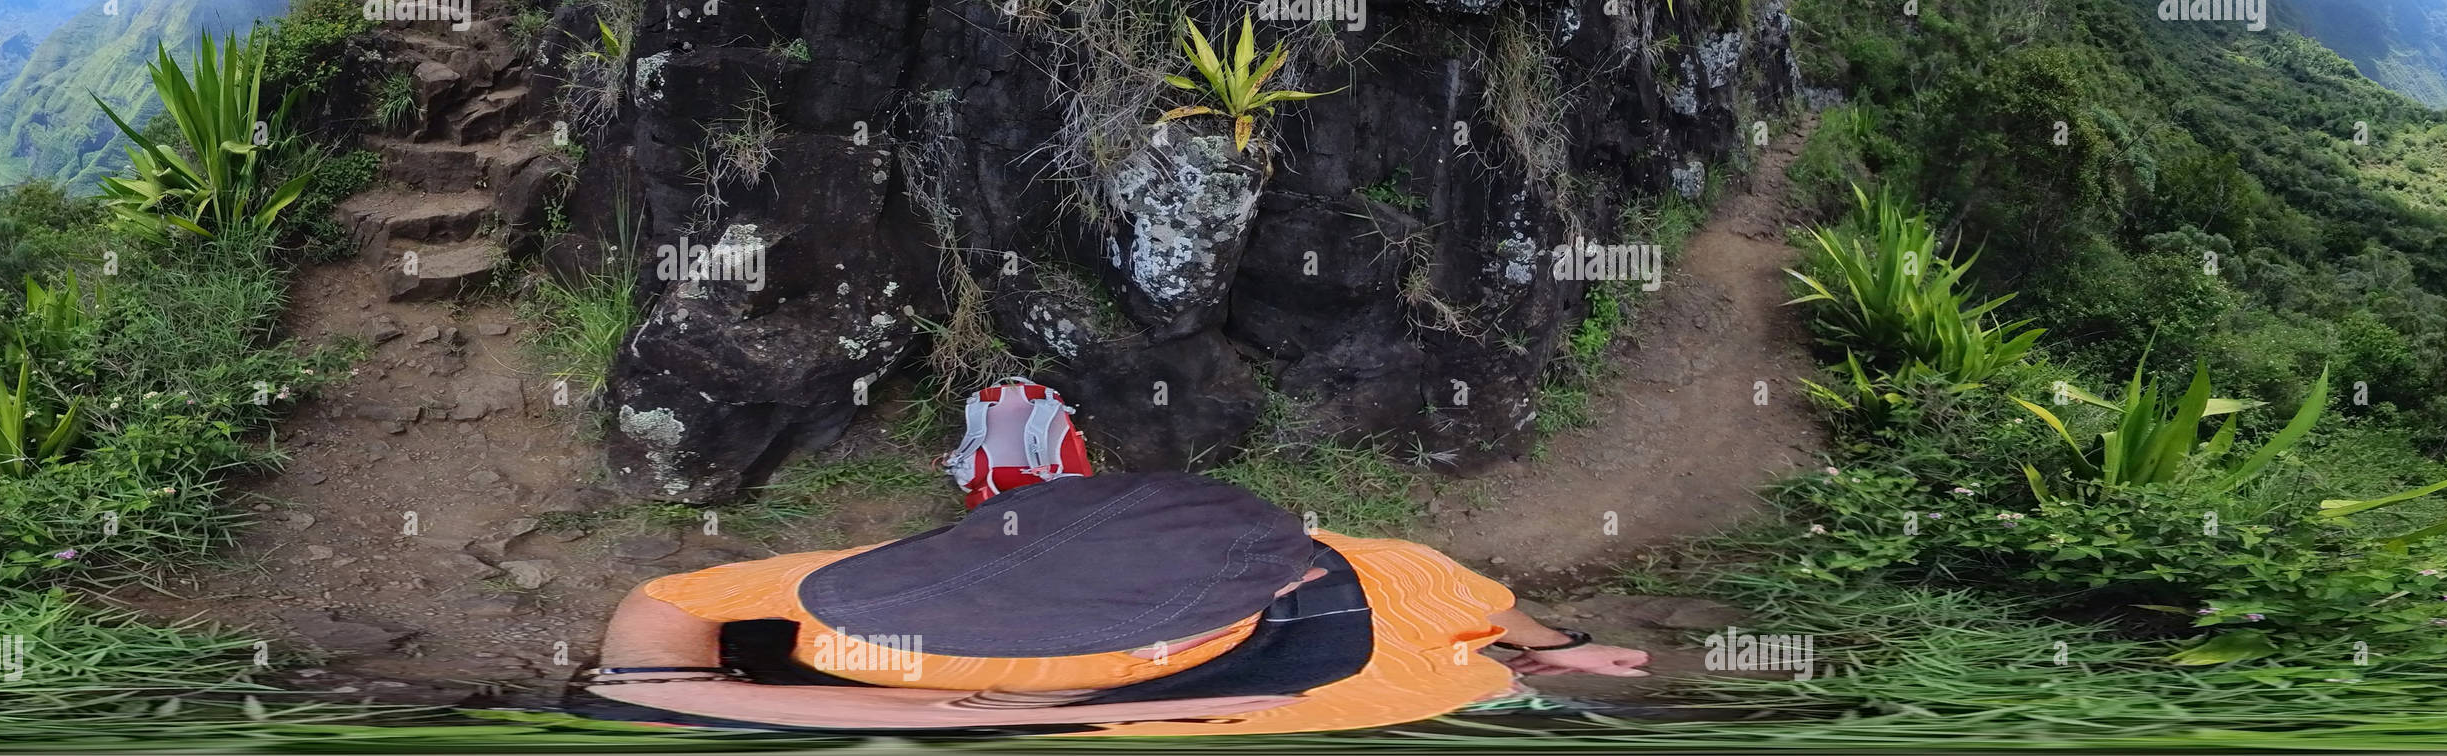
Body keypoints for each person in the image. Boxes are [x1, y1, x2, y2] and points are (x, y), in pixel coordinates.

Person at [576, 467, 1651, 734]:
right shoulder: (1375, 693)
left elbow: (648, 638)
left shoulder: (834, 593)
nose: (1301, 564)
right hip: (1332, 678)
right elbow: (631, 690)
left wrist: (1564, 645)